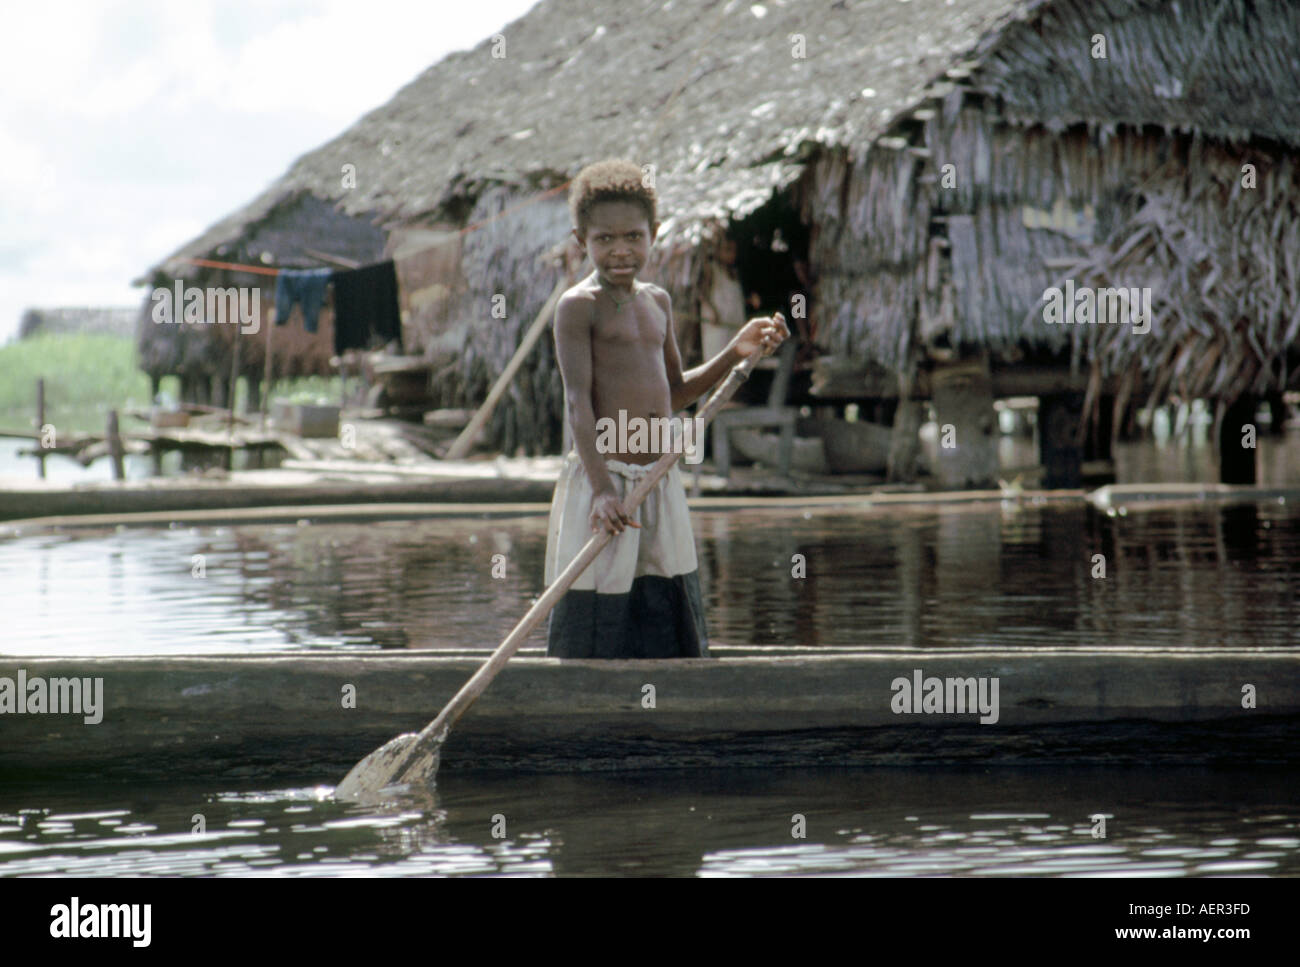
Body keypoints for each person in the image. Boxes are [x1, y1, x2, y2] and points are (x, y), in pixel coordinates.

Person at [545, 158, 789, 659]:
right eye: (604, 239)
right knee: (601, 608)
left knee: (662, 603)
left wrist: (736, 351)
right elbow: (577, 404)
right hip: (606, 481)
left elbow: (676, 393)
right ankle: (592, 711)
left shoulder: (656, 302)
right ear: (580, 240)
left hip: (657, 477)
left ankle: (659, 707)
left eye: (633, 237)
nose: (620, 251)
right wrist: (603, 490)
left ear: (654, 233)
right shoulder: (578, 306)